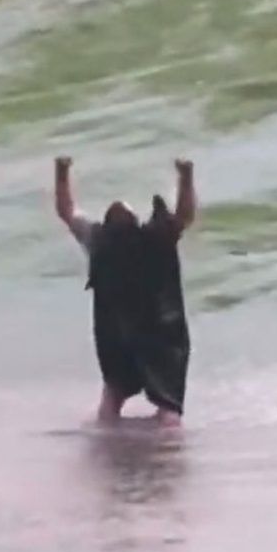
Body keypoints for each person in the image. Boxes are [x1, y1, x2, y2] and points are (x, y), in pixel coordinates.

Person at [54, 155, 196, 427]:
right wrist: (61, 172)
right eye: (114, 210)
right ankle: (117, 441)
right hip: (118, 333)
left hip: (161, 332)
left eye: (124, 210)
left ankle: (164, 444)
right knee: (113, 396)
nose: (118, 207)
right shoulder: (98, 239)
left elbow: (184, 216)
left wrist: (186, 177)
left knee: (166, 405)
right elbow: (67, 211)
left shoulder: (155, 238)